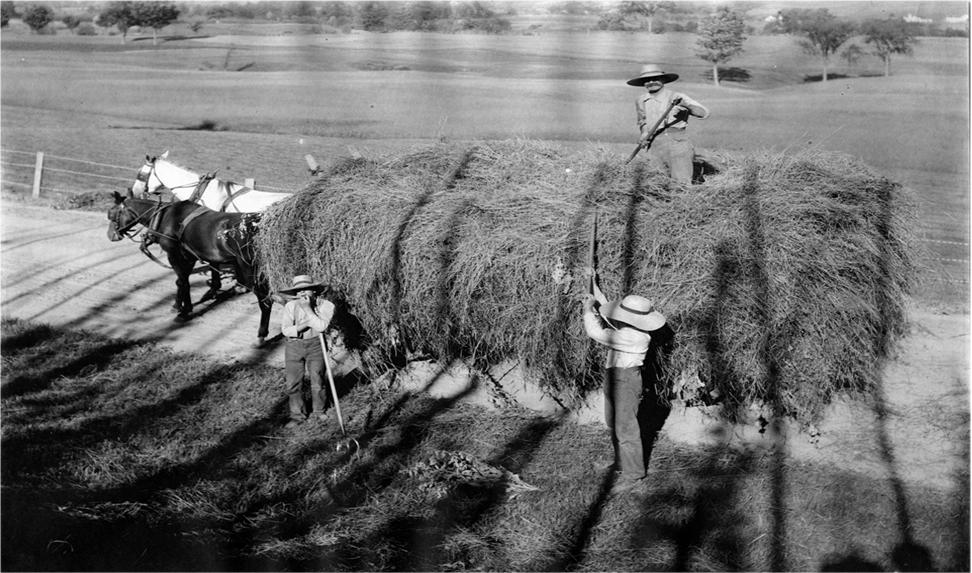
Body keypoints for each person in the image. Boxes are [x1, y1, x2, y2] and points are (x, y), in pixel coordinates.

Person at [582, 268, 668, 495]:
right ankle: (621, 462)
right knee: (614, 422)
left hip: (625, 381)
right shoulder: (629, 326)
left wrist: (586, 310)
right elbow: (607, 311)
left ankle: (634, 474)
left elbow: (596, 332)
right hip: (615, 376)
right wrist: (593, 284)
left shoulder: (636, 336)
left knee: (626, 427)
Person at [627, 64, 709, 184]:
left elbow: (704, 113)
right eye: (646, 80)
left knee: (680, 184)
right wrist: (644, 133)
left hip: (676, 143)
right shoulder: (641, 100)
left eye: (655, 78)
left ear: (663, 80)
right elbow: (642, 120)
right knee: (657, 184)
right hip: (654, 145)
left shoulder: (677, 97)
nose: (651, 82)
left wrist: (686, 105)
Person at [279, 274, 335, 429]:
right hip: (294, 346)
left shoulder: (326, 305)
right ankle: (297, 415)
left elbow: (322, 326)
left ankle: (319, 411)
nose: (302, 294)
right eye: (298, 291)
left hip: (316, 345)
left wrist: (307, 309)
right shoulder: (290, 306)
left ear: (315, 291)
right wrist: (302, 325)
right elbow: (286, 330)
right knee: (293, 382)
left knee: (317, 380)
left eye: (306, 290)